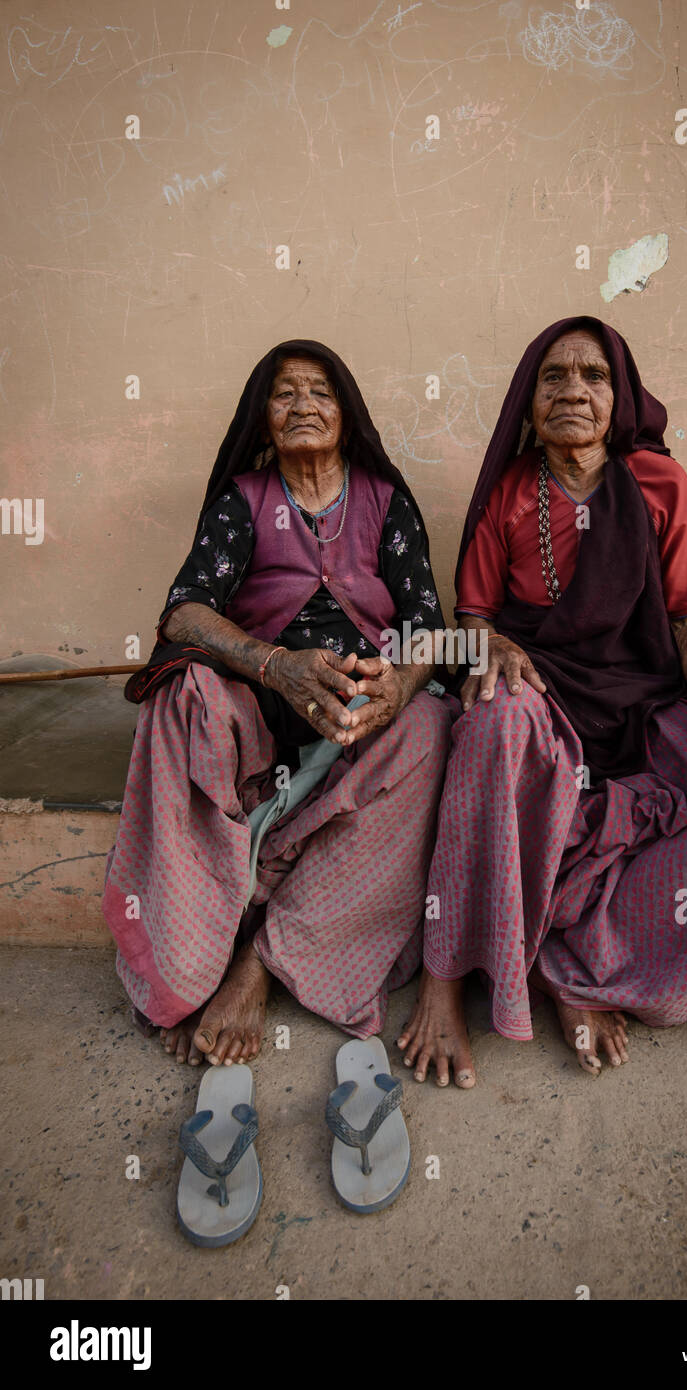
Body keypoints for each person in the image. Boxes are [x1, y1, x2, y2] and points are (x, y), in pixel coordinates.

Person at [397, 316, 687, 1086]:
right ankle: (446, 978)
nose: (573, 389)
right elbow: (470, 619)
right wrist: (490, 643)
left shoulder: (662, 483)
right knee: (493, 723)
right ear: (528, 401)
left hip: (646, 701)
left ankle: (585, 971)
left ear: (621, 394)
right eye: (554, 376)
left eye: (593, 375)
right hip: (542, 694)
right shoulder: (507, 492)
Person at [104, 340, 455, 1065]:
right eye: (284, 393)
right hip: (260, 705)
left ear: (346, 413)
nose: (302, 406)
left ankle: (264, 962)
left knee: (430, 725)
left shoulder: (384, 500)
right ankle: (185, 960)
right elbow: (185, 612)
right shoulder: (245, 499)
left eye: (320, 392)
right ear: (262, 419)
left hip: (363, 711)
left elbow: (428, 628)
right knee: (182, 695)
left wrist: (394, 694)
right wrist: (274, 665)